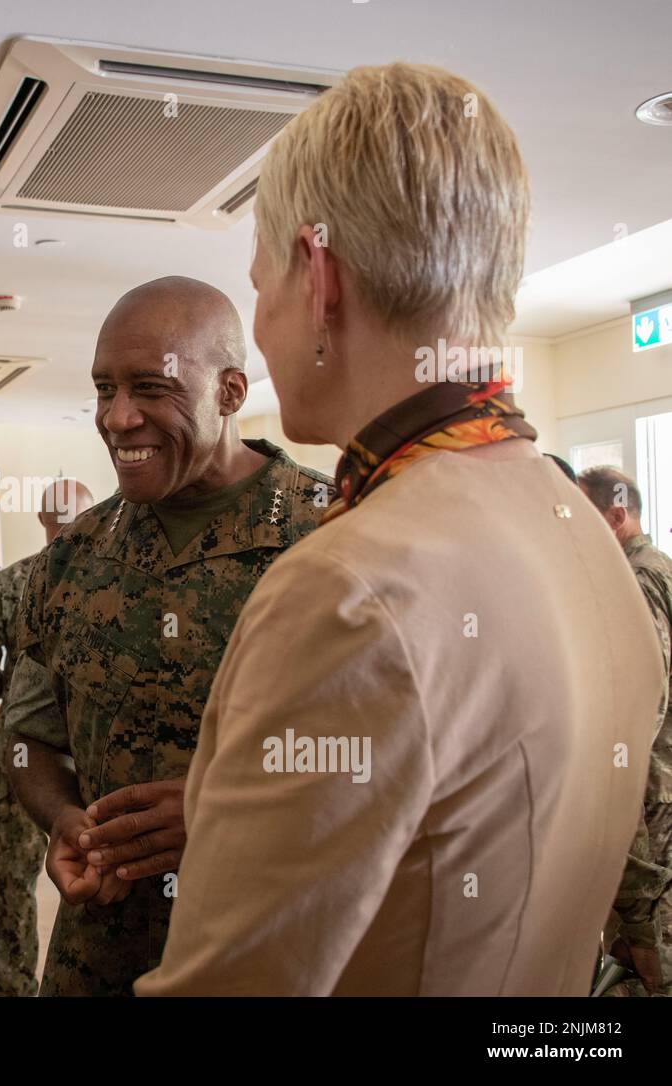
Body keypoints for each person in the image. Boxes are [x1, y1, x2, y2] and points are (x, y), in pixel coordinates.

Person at [136, 63, 663, 997]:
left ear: (321, 276)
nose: (258, 330)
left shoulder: (348, 588)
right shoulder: (584, 535)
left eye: (262, 288)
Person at [4, 276, 331, 996]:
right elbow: (25, 738)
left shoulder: (331, 537)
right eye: (104, 390)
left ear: (231, 392)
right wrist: (63, 821)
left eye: (152, 388)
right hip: (97, 960)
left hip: (264, 958)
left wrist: (226, 812)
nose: (118, 419)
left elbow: (391, 761)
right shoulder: (75, 554)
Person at [0, 478, 94, 997]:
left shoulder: (7, 584)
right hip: (92, 761)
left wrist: (17, 689)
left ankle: (13, 986)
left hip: (20, 759)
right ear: (89, 515)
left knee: (14, 884)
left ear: (43, 520)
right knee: (93, 873)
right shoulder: (109, 587)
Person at [577, 466, 672, 996]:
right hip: (657, 784)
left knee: (649, 949)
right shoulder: (658, 567)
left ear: (616, 517)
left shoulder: (638, 579)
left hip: (652, 792)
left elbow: (642, 701)